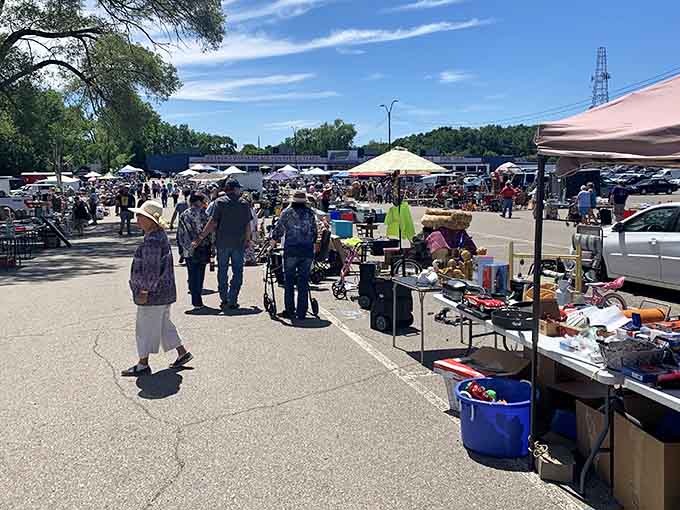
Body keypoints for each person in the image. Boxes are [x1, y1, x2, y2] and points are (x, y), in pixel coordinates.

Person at [122, 200, 193, 376]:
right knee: (163, 325)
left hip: (153, 294)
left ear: (151, 220)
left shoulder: (152, 240)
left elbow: (151, 271)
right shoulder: (158, 235)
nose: (136, 219)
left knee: (144, 327)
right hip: (164, 292)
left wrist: (143, 291)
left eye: (140, 216)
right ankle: (182, 353)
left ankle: (143, 364)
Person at [193, 180, 252, 310]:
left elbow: (213, 222)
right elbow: (248, 225)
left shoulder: (220, 202)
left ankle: (224, 298)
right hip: (239, 243)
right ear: (234, 189)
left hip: (222, 242)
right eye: (238, 188)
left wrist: (201, 236)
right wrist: (248, 240)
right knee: (238, 271)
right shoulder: (244, 203)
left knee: (222, 270)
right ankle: (233, 298)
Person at [271, 190, 318, 322]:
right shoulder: (310, 213)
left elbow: (278, 231)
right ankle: (302, 312)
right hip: (307, 250)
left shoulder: (286, 212)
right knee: (303, 281)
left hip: (291, 250)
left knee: (289, 281)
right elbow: (315, 232)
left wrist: (272, 244)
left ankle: (290, 310)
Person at [177, 193, 210, 310]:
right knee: (200, 273)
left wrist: (181, 248)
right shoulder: (205, 214)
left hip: (188, 248)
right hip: (203, 247)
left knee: (192, 273)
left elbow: (180, 233)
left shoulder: (184, 215)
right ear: (199, 202)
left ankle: (196, 300)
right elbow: (210, 232)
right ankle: (197, 298)